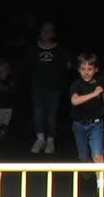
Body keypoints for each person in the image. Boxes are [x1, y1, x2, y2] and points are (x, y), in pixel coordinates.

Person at [29, 20, 72, 154]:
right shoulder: (33, 49)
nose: (46, 33)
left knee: (51, 116)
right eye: (44, 30)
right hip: (37, 88)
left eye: (49, 30)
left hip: (54, 89)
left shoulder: (60, 51)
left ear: (54, 33)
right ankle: (40, 139)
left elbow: (68, 67)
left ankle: (50, 141)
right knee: (38, 114)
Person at [68, 53, 104, 165]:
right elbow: (74, 101)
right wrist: (93, 94)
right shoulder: (77, 85)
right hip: (79, 125)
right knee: (84, 158)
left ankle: (100, 182)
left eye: (90, 69)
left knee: (98, 156)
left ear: (96, 70)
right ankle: (86, 169)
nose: (86, 72)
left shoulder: (101, 80)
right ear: (79, 70)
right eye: (83, 69)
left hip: (96, 125)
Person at [0, 57, 16, 146]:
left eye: (4, 69)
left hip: (8, 105)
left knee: (5, 123)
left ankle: (2, 132)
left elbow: (12, 90)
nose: (2, 72)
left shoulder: (10, 79)